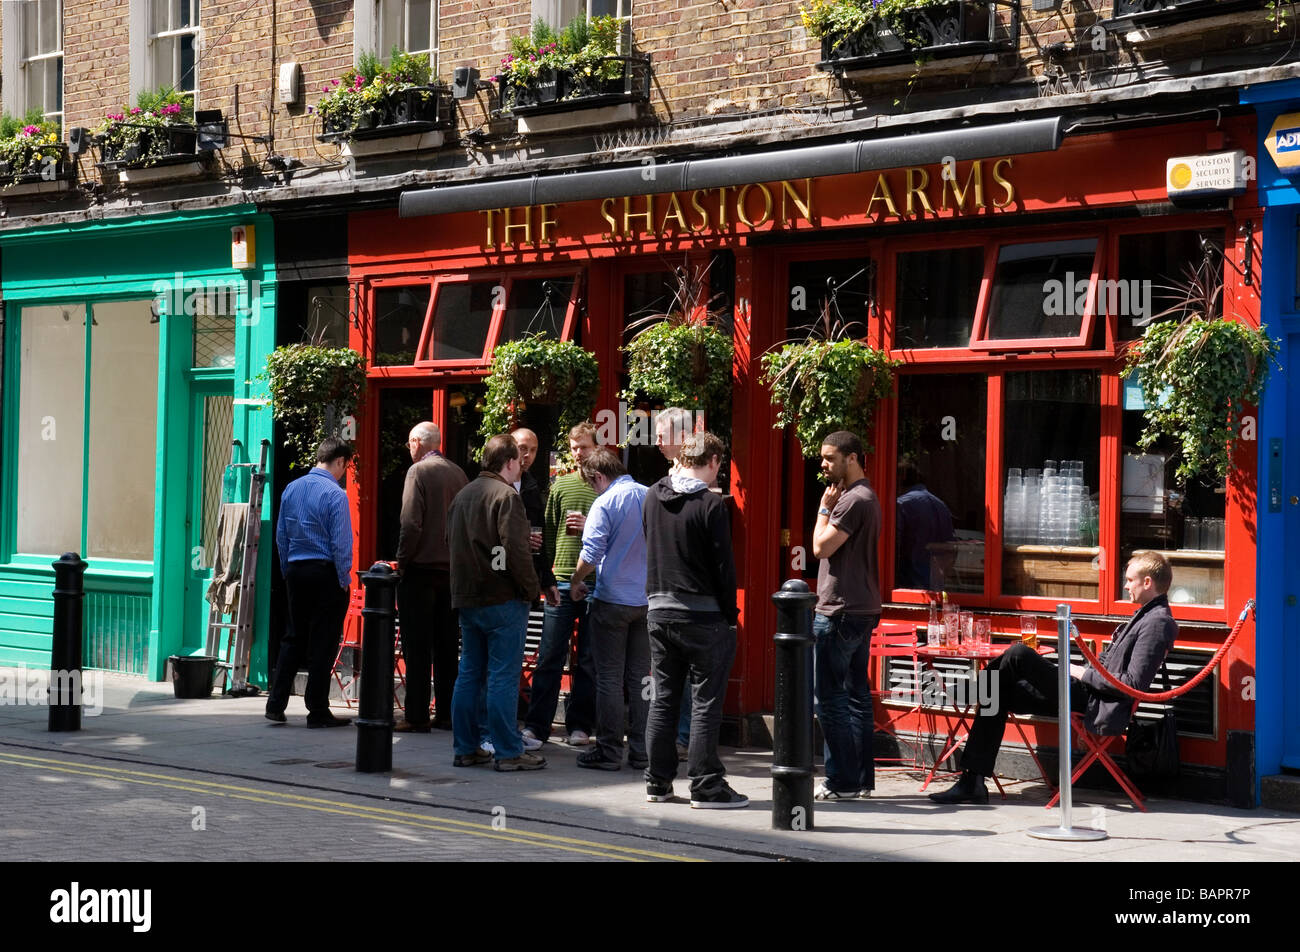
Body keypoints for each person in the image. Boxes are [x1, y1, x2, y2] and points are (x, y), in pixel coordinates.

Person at [930, 550, 1178, 804]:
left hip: (1095, 699)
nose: (1125, 586)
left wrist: (1082, 673)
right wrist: (1078, 668)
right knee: (999, 693)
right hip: (1086, 689)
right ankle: (972, 781)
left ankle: (969, 692)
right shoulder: (1146, 615)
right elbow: (1106, 662)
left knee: (1018, 654)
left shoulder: (1157, 622)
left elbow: (1131, 685)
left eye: (1129, 580)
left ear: (1147, 582)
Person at [643, 432, 748, 809]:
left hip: (658, 611)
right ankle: (706, 787)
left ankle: (657, 782)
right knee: (705, 703)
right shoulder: (710, 505)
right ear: (714, 461)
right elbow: (724, 568)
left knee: (664, 700)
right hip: (704, 618)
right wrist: (731, 615)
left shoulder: (653, 495)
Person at [446, 434, 545, 771]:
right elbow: (515, 552)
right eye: (518, 459)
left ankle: (465, 747)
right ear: (509, 462)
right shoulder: (506, 496)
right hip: (502, 598)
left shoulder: (462, 495)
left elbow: (451, 543)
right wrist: (531, 589)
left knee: (469, 673)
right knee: (503, 675)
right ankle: (508, 751)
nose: (521, 465)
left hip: (468, 597)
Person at [810, 431, 882, 800]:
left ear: (852, 458)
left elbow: (820, 548)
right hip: (862, 609)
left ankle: (842, 781)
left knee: (830, 697)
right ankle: (861, 780)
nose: (823, 464)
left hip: (839, 610)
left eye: (830, 457)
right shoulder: (868, 497)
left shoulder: (852, 501)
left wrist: (824, 509)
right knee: (855, 695)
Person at [569, 448, 650, 771]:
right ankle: (642, 750)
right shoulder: (649, 496)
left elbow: (591, 552)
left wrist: (576, 580)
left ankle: (609, 750)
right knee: (641, 678)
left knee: (609, 678)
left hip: (612, 600)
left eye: (592, 484)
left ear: (599, 476)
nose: (593, 489)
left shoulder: (605, 503)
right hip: (645, 601)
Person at [267, 438, 355, 728]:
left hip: (295, 570)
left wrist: (286, 570)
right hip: (325, 573)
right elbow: (341, 543)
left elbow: (281, 536)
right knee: (323, 641)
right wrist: (344, 579)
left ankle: (276, 704)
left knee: (293, 637)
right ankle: (317, 710)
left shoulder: (291, 489)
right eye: (346, 465)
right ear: (340, 461)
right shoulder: (335, 494)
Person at [521, 422, 599, 749]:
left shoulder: (605, 487)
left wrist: (589, 521)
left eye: (584, 446)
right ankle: (538, 726)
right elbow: (549, 536)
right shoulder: (560, 486)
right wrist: (548, 579)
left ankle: (581, 725)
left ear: (597, 447)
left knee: (590, 660)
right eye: (573, 447)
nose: (578, 453)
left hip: (597, 583)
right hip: (563, 580)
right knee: (551, 655)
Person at [394, 422, 468, 732]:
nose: (409, 448)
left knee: (417, 645)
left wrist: (401, 561)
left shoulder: (418, 472)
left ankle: (416, 715)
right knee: (447, 646)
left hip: (421, 572)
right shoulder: (459, 474)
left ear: (417, 442)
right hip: (451, 573)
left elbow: (411, 523)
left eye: (410, 443)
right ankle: (448, 714)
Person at [656, 407, 698, 762]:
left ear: (683, 437)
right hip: (665, 593)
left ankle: (685, 738)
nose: (654, 441)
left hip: (688, 597)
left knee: (682, 676)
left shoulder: (698, 481)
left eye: (661, 434)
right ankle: (674, 739)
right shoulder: (668, 477)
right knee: (670, 678)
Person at [895, 463, 955, 591]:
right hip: (937, 583)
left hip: (909, 584)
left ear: (901, 478)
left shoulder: (902, 504)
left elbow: (894, 546)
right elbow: (951, 546)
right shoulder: (941, 505)